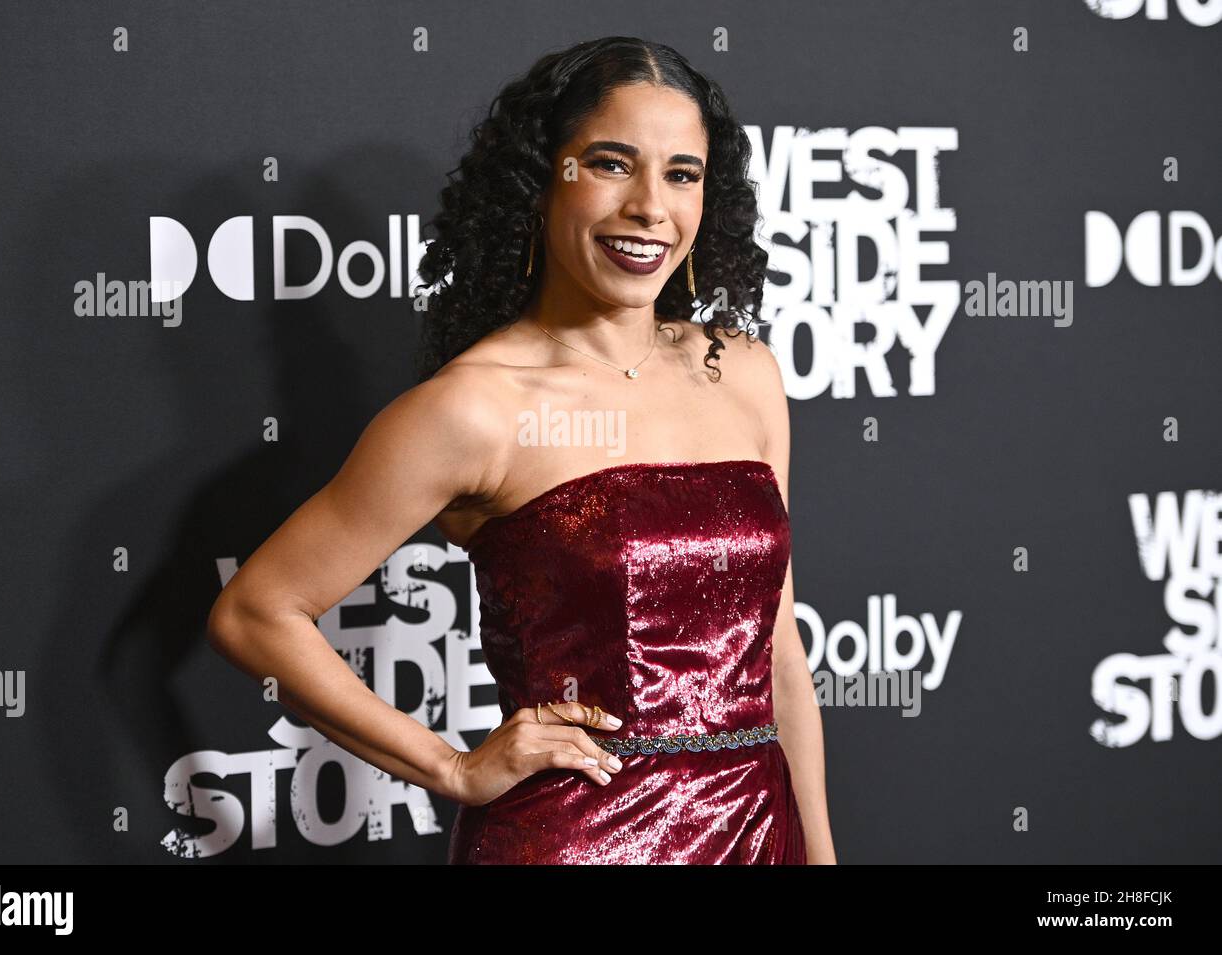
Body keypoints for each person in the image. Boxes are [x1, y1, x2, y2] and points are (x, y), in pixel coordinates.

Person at [207, 36, 836, 864]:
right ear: (542, 183)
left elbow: (781, 653)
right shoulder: (476, 407)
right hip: (577, 840)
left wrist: (818, 850)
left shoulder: (743, 372)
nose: (652, 206)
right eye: (612, 164)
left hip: (762, 829)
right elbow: (256, 611)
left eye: (682, 174)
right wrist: (452, 767)